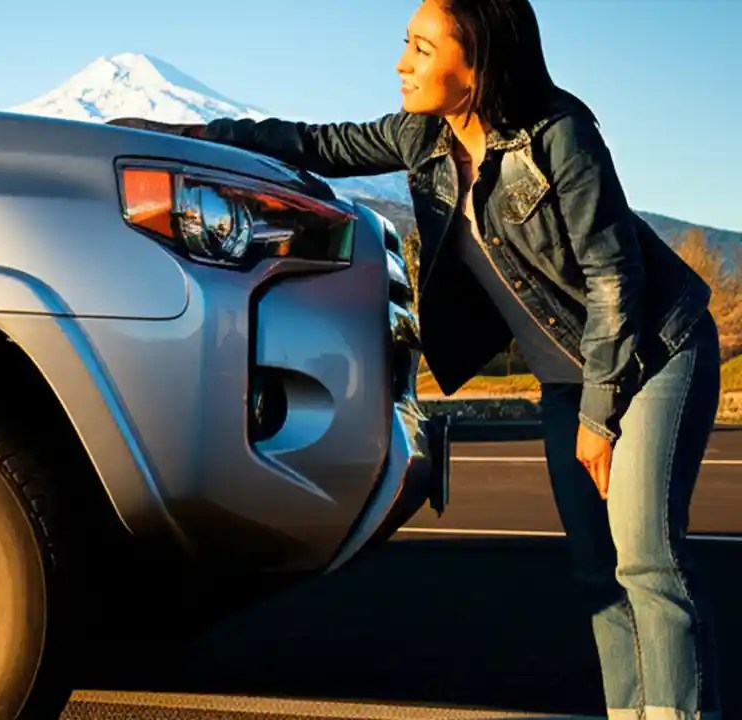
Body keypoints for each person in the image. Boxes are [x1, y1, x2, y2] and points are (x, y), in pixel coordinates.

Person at [111, 0, 723, 718]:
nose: (402, 63)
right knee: (598, 575)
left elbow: (613, 275)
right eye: (407, 43)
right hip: (569, 380)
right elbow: (315, 142)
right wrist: (191, 137)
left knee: (646, 561)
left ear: (478, 64)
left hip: (652, 355)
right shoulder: (423, 137)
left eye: (423, 50)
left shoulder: (560, 135)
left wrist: (600, 411)